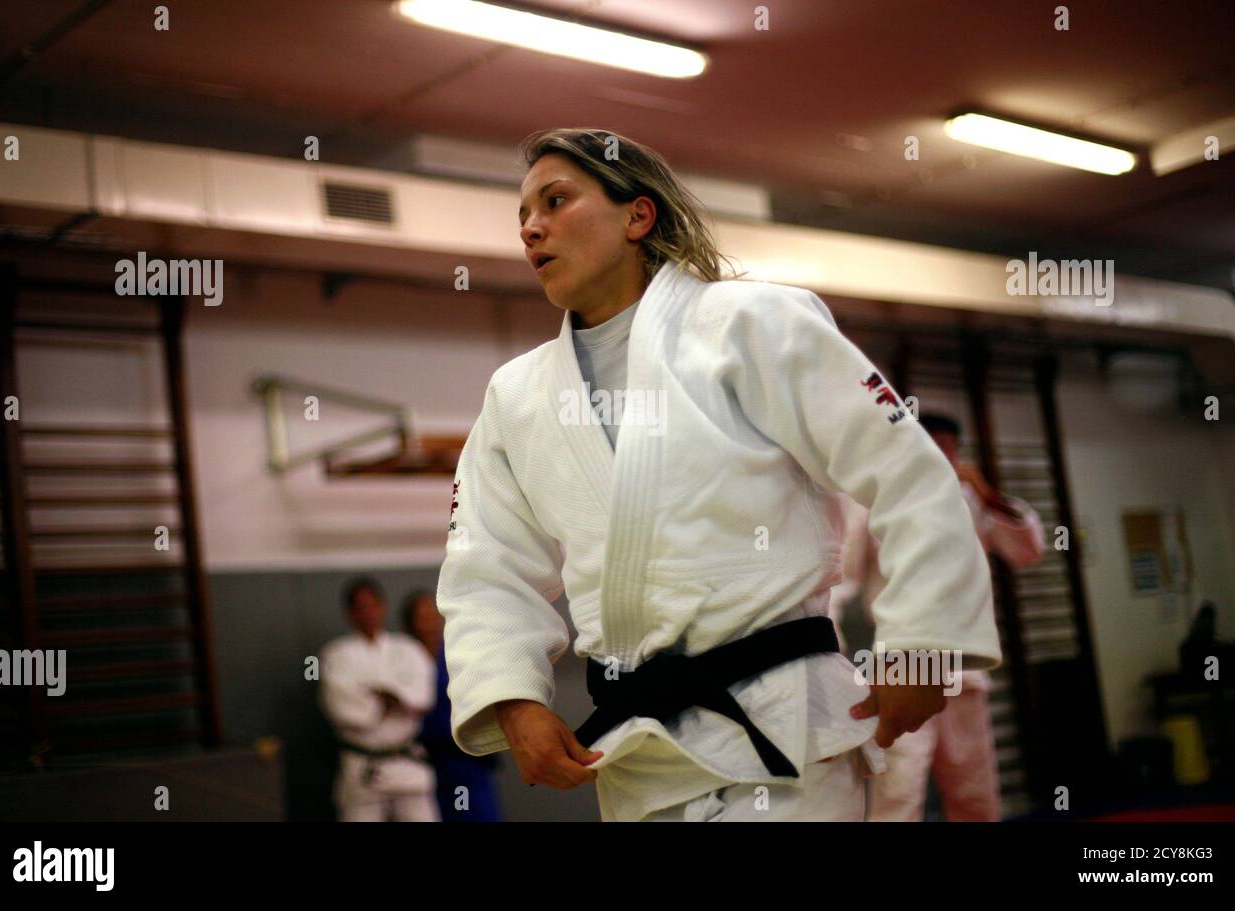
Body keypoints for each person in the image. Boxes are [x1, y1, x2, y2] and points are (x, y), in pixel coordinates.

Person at [435, 127, 1001, 822]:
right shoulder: (514, 396)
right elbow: (483, 565)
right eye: (522, 216)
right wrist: (514, 697)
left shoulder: (750, 322)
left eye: (554, 201)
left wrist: (922, 639)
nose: (531, 229)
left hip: (786, 729)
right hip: (638, 756)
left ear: (637, 215)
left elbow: (905, 470)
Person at [834, 411, 1045, 822]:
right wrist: (827, 642)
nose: (942, 454)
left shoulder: (971, 502)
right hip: (905, 658)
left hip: (963, 656)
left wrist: (987, 492)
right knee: (899, 789)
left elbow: (1027, 551)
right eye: (933, 443)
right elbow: (844, 577)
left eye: (950, 447)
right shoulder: (874, 496)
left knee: (975, 787)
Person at [319, 577, 439, 822]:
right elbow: (341, 708)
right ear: (350, 613)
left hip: (407, 763)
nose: (368, 612)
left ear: (383, 607)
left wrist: (385, 696)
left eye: (373, 605)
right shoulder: (336, 655)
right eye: (361, 607)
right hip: (362, 767)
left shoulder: (408, 649)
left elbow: (423, 697)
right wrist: (393, 701)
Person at [403, 588, 503, 822]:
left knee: (474, 813)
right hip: (425, 759)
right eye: (422, 615)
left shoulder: (458, 655)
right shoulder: (405, 658)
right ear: (411, 622)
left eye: (432, 614)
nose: (429, 621)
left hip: (467, 758)